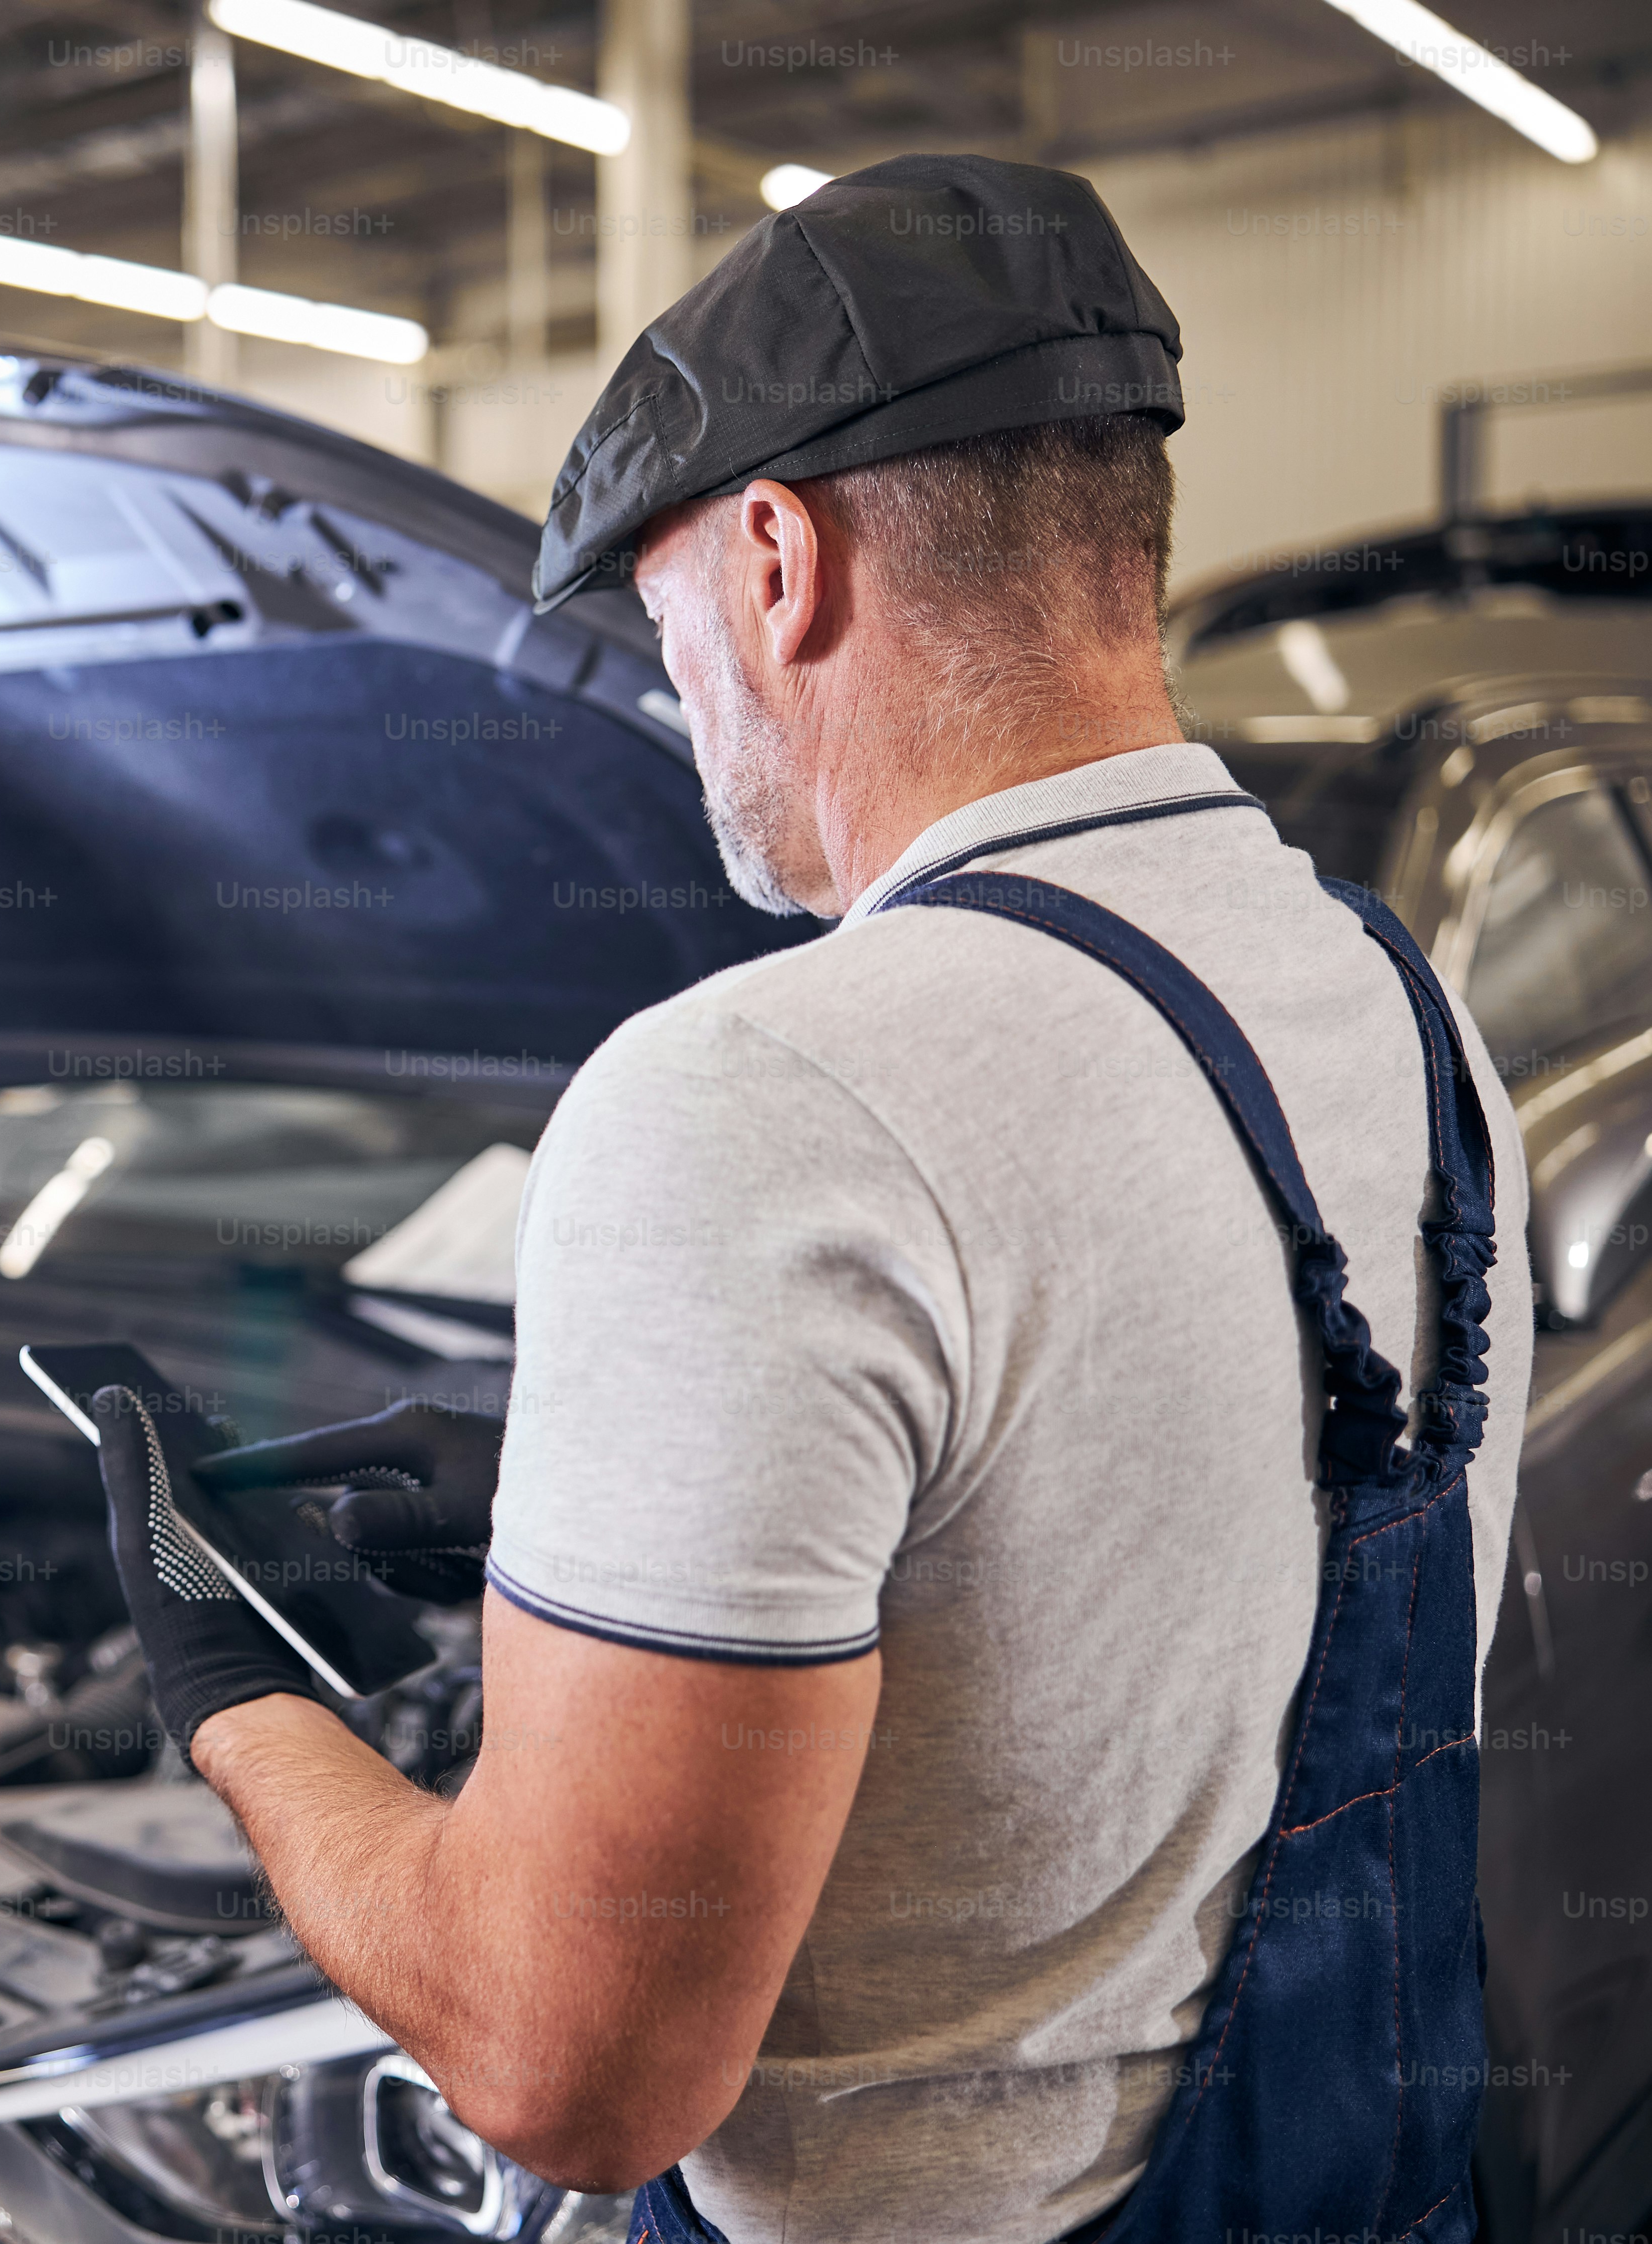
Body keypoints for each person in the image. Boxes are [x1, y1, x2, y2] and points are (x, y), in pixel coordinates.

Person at [91, 154, 1527, 2244]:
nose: (686, 719)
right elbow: (1128, 1520)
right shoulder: (1401, 1008)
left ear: (777, 560)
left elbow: (566, 2065)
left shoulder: (761, 1096)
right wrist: (677, 1501)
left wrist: (237, 1699)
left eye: (666, 635)